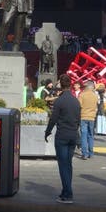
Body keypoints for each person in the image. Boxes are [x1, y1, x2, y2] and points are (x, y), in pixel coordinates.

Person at [44, 73, 81, 203]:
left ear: (60, 84)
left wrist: (47, 132)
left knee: (63, 165)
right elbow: (78, 120)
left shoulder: (59, 101)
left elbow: (53, 119)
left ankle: (68, 194)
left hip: (62, 136)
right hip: (73, 135)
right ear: (70, 84)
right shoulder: (75, 100)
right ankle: (65, 191)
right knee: (68, 164)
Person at [79, 80, 98, 159]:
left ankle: (85, 153)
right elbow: (96, 106)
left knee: (83, 135)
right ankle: (91, 153)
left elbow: (78, 106)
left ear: (86, 87)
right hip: (92, 117)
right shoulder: (95, 96)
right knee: (90, 135)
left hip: (83, 116)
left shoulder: (82, 95)